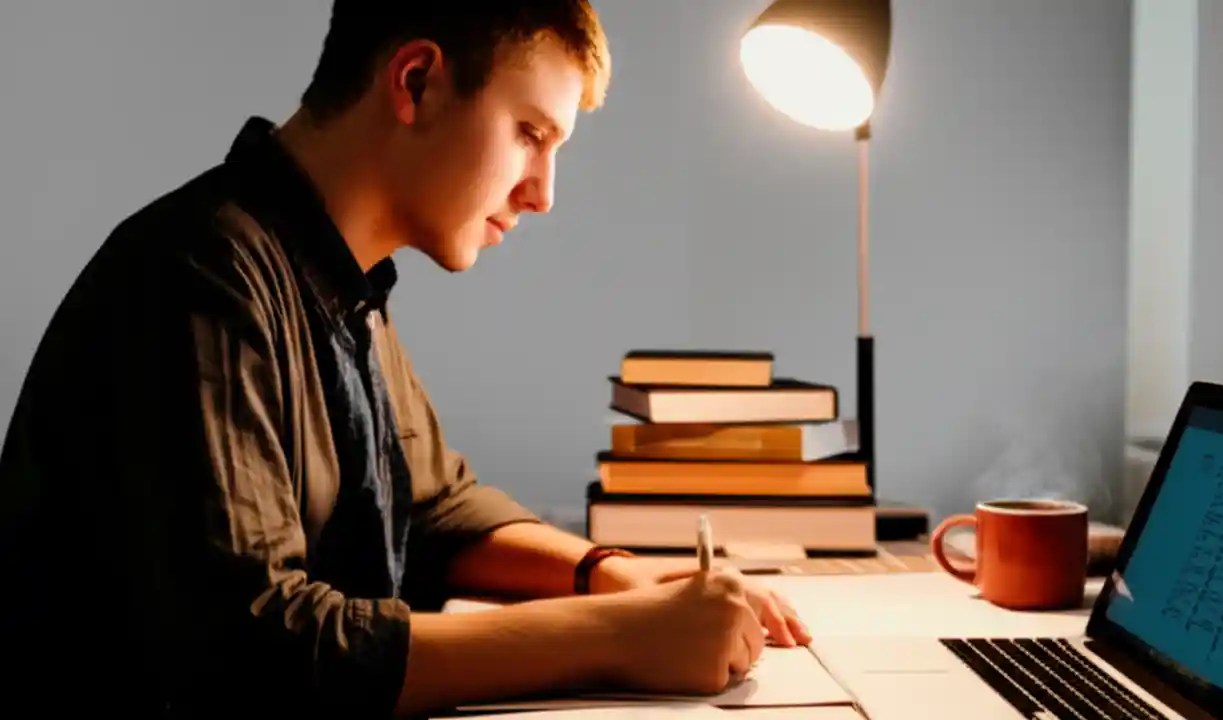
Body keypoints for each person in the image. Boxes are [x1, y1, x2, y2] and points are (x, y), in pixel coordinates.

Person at [0, 2, 812, 717]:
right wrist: (611, 635)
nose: (543, 192)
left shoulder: (336, 281)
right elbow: (258, 653)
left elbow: (433, 511)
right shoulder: (199, 276)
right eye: (531, 133)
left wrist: (618, 577)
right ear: (416, 81)